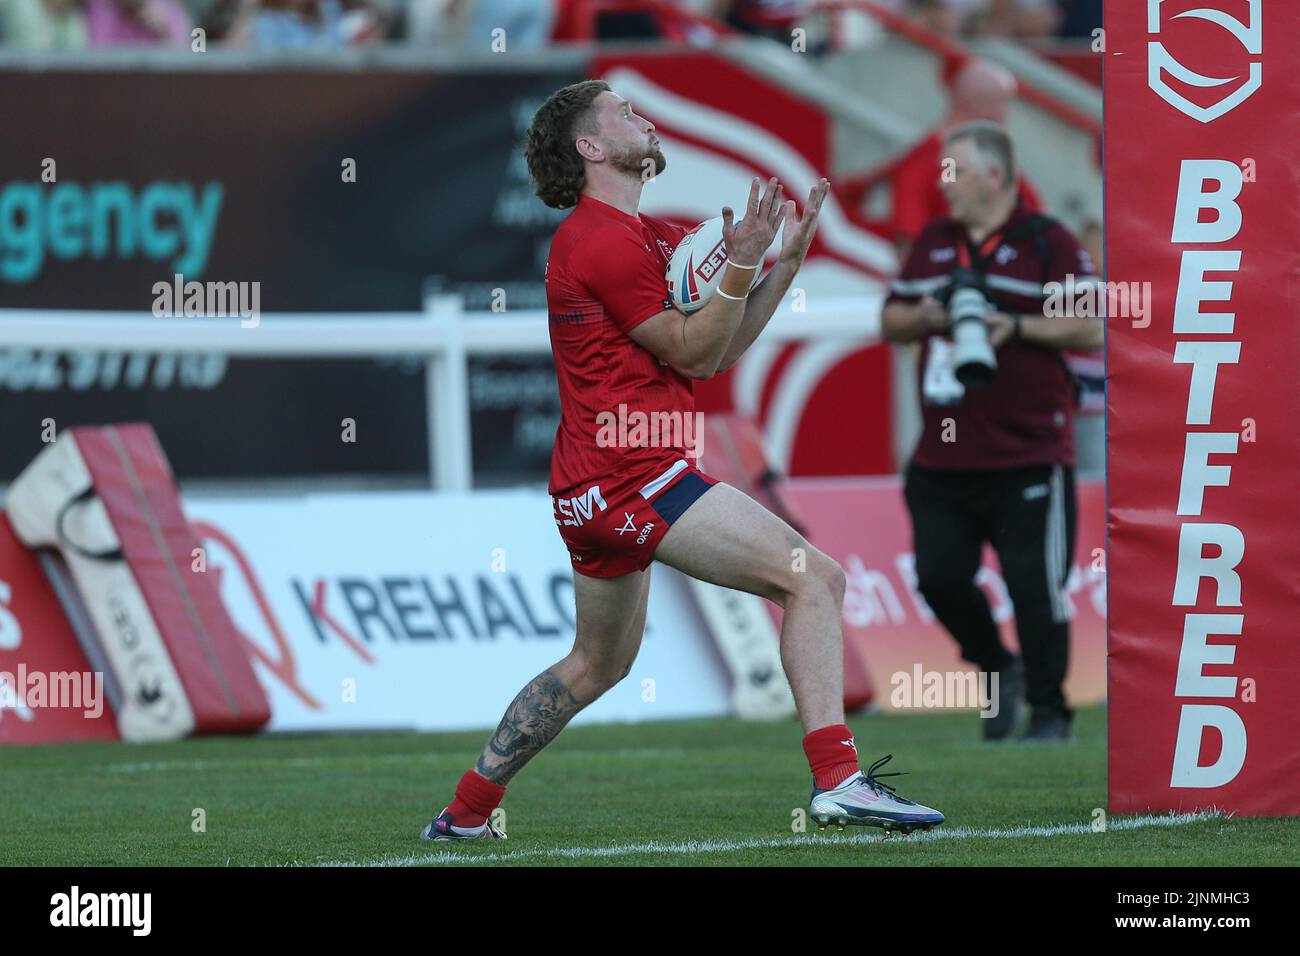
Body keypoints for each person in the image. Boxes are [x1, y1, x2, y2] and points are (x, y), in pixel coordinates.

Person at [421, 79, 944, 841]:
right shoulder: (596, 238)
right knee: (814, 578)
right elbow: (695, 348)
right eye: (624, 113)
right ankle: (840, 781)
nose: (644, 117)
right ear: (592, 148)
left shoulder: (650, 233)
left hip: (591, 488)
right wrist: (737, 268)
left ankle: (466, 813)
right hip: (633, 475)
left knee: (596, 666)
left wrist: (774, 269)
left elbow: (714, 354)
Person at [881, 121, 1101, 742]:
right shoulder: (933, 242)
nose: (942, 185)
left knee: (1036, 587)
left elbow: (1088, 326)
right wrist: (924, 315)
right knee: (938, 576)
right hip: (943, 458)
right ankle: (995, 664)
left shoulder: (1046, 241)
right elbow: (890, 319)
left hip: (1028, 452)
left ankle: (1051, 711)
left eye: (955, 171)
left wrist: (1016, 327)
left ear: (996, 176)